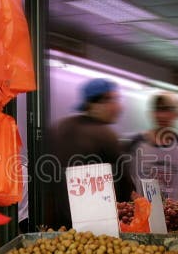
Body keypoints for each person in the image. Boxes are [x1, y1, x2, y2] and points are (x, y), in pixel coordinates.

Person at [49, 78, 135, 229]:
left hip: (58, 224)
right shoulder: (104, 134)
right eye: (112, 99)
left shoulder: (60, 127)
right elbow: (126, 186)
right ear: (93, 104)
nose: (118, 107)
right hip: (95, 226)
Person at [126, 93, 178, 202]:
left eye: (168, 110)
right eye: (158, 109)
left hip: (177, 214)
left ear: (176, 114)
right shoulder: (136, 145)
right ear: (152, 113)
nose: (162, 115)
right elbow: (128, 185)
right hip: (145, 214)